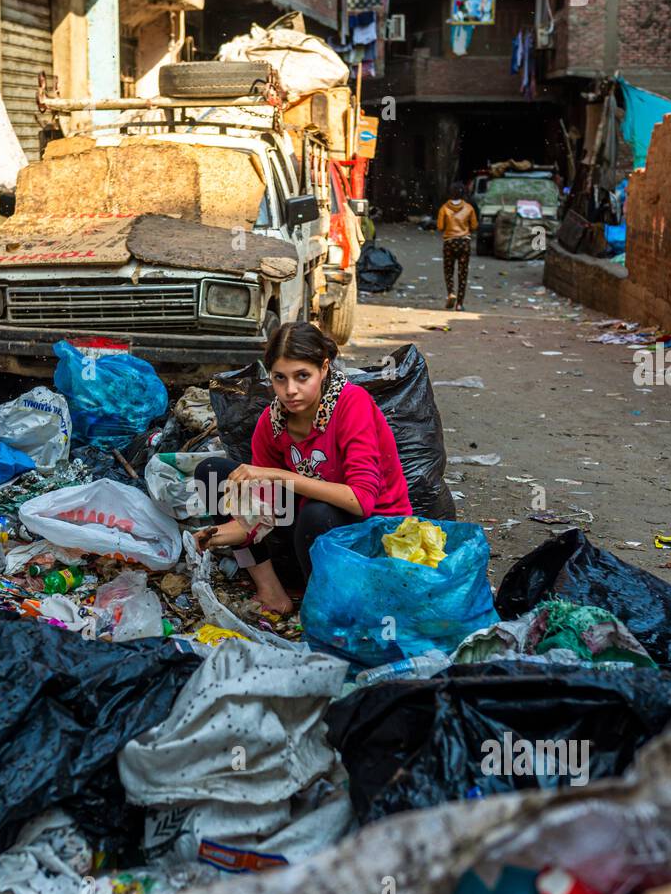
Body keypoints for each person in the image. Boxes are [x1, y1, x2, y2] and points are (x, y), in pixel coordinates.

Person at [193, 323, 412, 616]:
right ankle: (271, 593)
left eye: (302, 376)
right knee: (214, 473)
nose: (290, 390)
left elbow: (362, 501)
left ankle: (328, 613)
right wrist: (218, 535)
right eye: (279, 378)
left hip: (374, 538)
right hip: (308, 536)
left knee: (317, 511)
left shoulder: (352, 404)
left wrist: (280, 475)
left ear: (323, 368)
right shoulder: (272, 424)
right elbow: (263, 510)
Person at [436, 181, 478, 310]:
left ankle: (451, 293)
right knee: (462, 273)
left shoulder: (444, 208)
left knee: (449, 271)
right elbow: (474, 226)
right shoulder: (469, 208)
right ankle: (460, 304)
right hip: (464, 243)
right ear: (463, 193)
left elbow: (440, 227)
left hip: (449, 243)